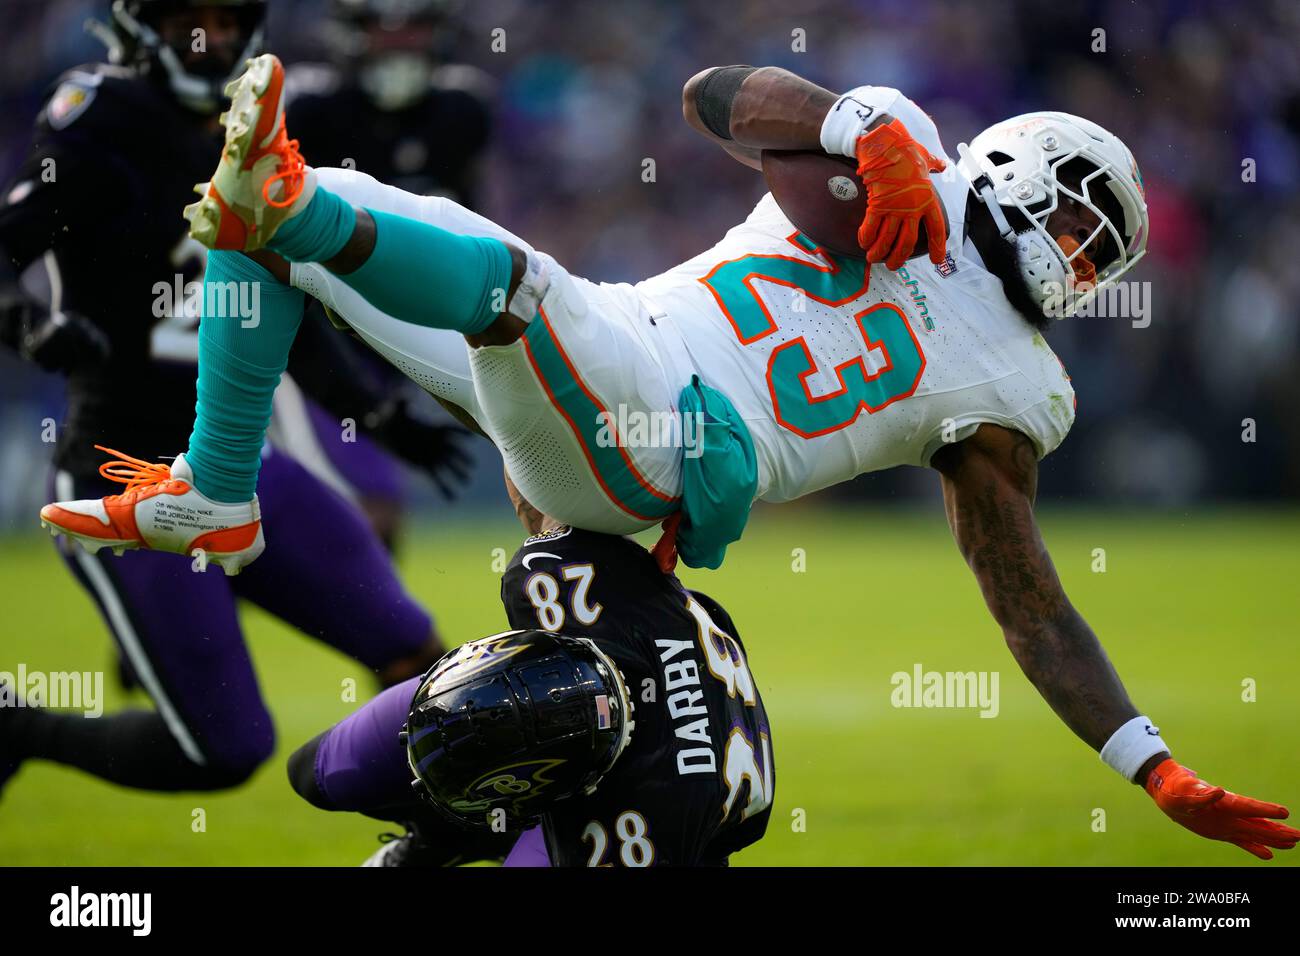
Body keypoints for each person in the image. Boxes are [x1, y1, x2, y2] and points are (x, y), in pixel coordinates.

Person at [41, 56, 1300, 860]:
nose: (1078, 260)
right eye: (1082, 221)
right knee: (284, 213)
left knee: (491, 282)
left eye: (1102, 257)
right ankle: (218, 488)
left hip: (668, 441)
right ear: (1021, 162)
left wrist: (1152, 761)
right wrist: (858, 123)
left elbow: (1025, 593)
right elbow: (714, 94)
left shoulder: (1020, 386)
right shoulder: (899, 139)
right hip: (609, 350)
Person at [0, 2, 455, 798]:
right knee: (221, 749)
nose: (202, 35)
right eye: (184, 17)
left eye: (223, 16)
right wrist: (29, 325)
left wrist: (376, 413)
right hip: (124, 473)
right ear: (141, 25)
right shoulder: (105, 111)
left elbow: (282, 299)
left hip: (242, 465)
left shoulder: (251, 117)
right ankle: (16, 729)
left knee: (418, 659)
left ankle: (444, 835)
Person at [288, 515, 773, 867]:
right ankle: (450, 836)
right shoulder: (555, 577)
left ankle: (496, 830)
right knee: (317, 773)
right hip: (502, 696)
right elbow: (546, 482)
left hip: (634, 792)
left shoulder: (651, 818)